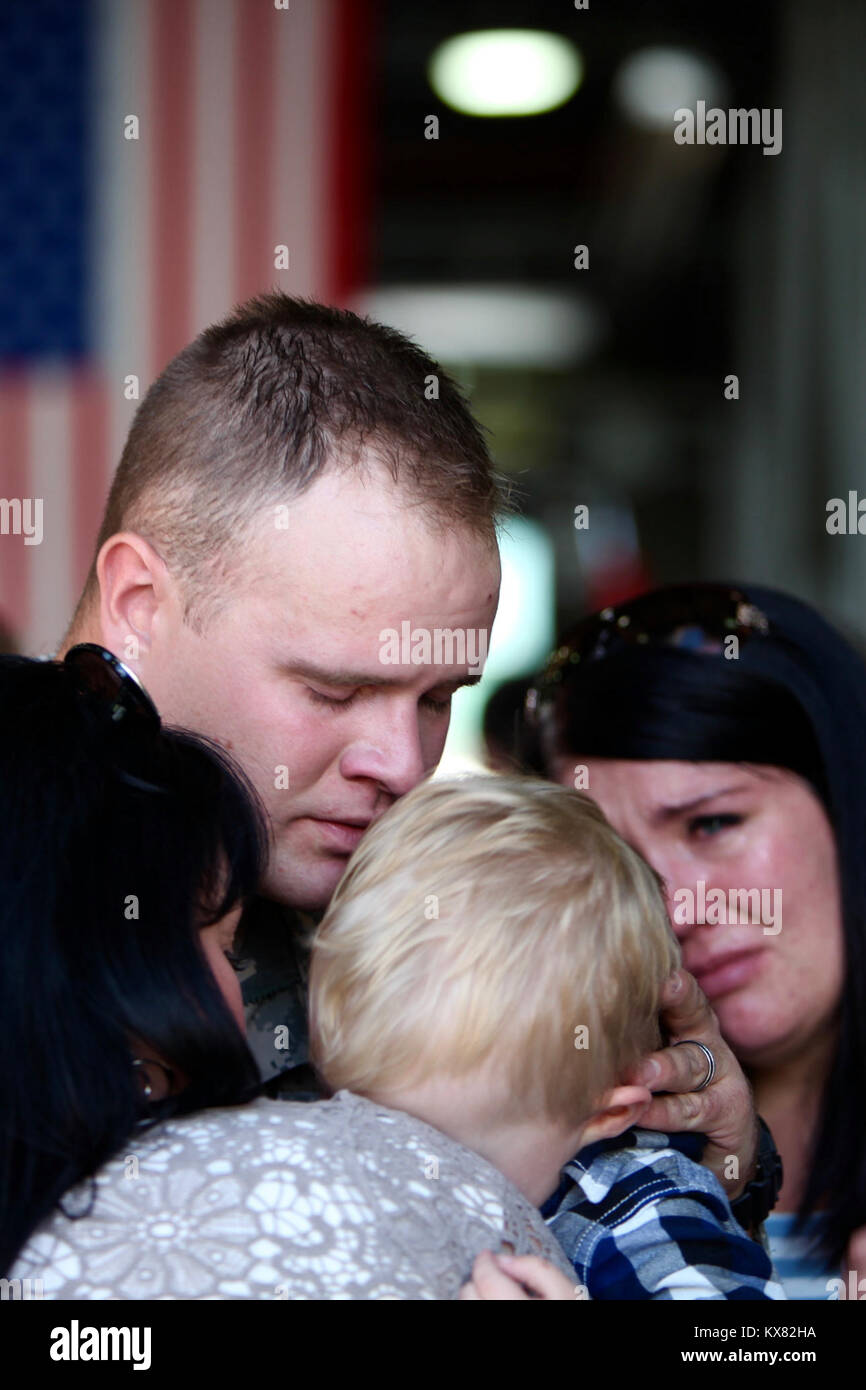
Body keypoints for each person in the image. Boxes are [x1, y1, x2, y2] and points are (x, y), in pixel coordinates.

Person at [58, 292, 761, 1195]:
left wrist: (713, 1176)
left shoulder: (413, 922)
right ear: (140, 608)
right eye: (333, 689)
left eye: (439, 697)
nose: (401, 764)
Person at [2, 664, 781, 1298]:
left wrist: (730, 1179)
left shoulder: (638, 1210)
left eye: (440, 698)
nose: (394, 1160)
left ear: (608, 1108)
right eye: (332, 688)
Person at [530, 581, 866, 1298]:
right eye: (619, 870)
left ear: (848, 799)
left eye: (713, 824)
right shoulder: (533, 1189)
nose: (676, 909)